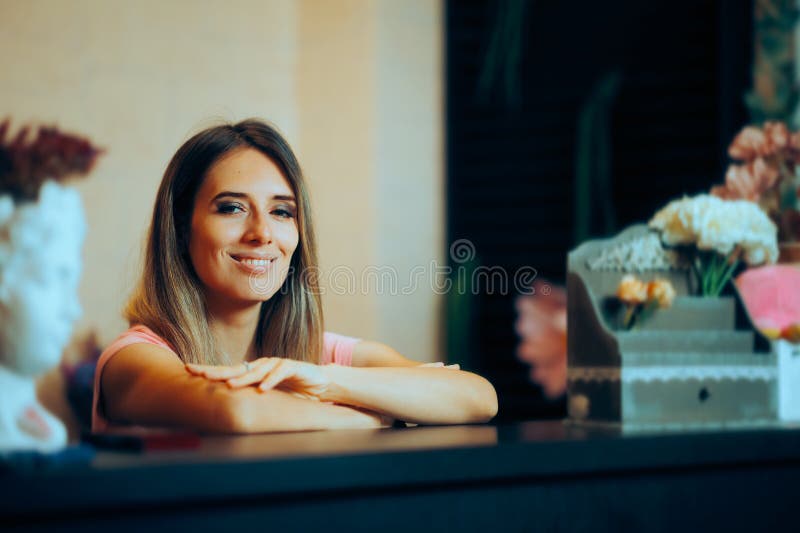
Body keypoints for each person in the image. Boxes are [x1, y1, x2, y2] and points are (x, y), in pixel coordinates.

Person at [92, 119, 498, 434]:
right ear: (181, 229)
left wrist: (327, 381)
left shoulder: (314, 359)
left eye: (282, 212)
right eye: (232, 208)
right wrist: (371, 418)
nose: (262, 233)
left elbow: (477, 397)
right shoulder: (133, 359)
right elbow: (237, 410)